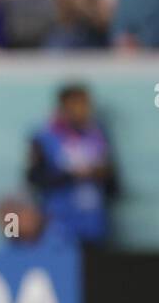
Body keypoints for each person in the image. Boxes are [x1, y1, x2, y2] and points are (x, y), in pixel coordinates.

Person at [25, 84, 119, 245]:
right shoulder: (44, 137)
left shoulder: (99, 135)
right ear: (63, 107)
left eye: (86, 104)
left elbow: (114, 183)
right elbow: (34, 178)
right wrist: (72, 175)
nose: (83, 110)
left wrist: (101, 174)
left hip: (95, 224)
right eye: (76, 104)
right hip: (59, 225)